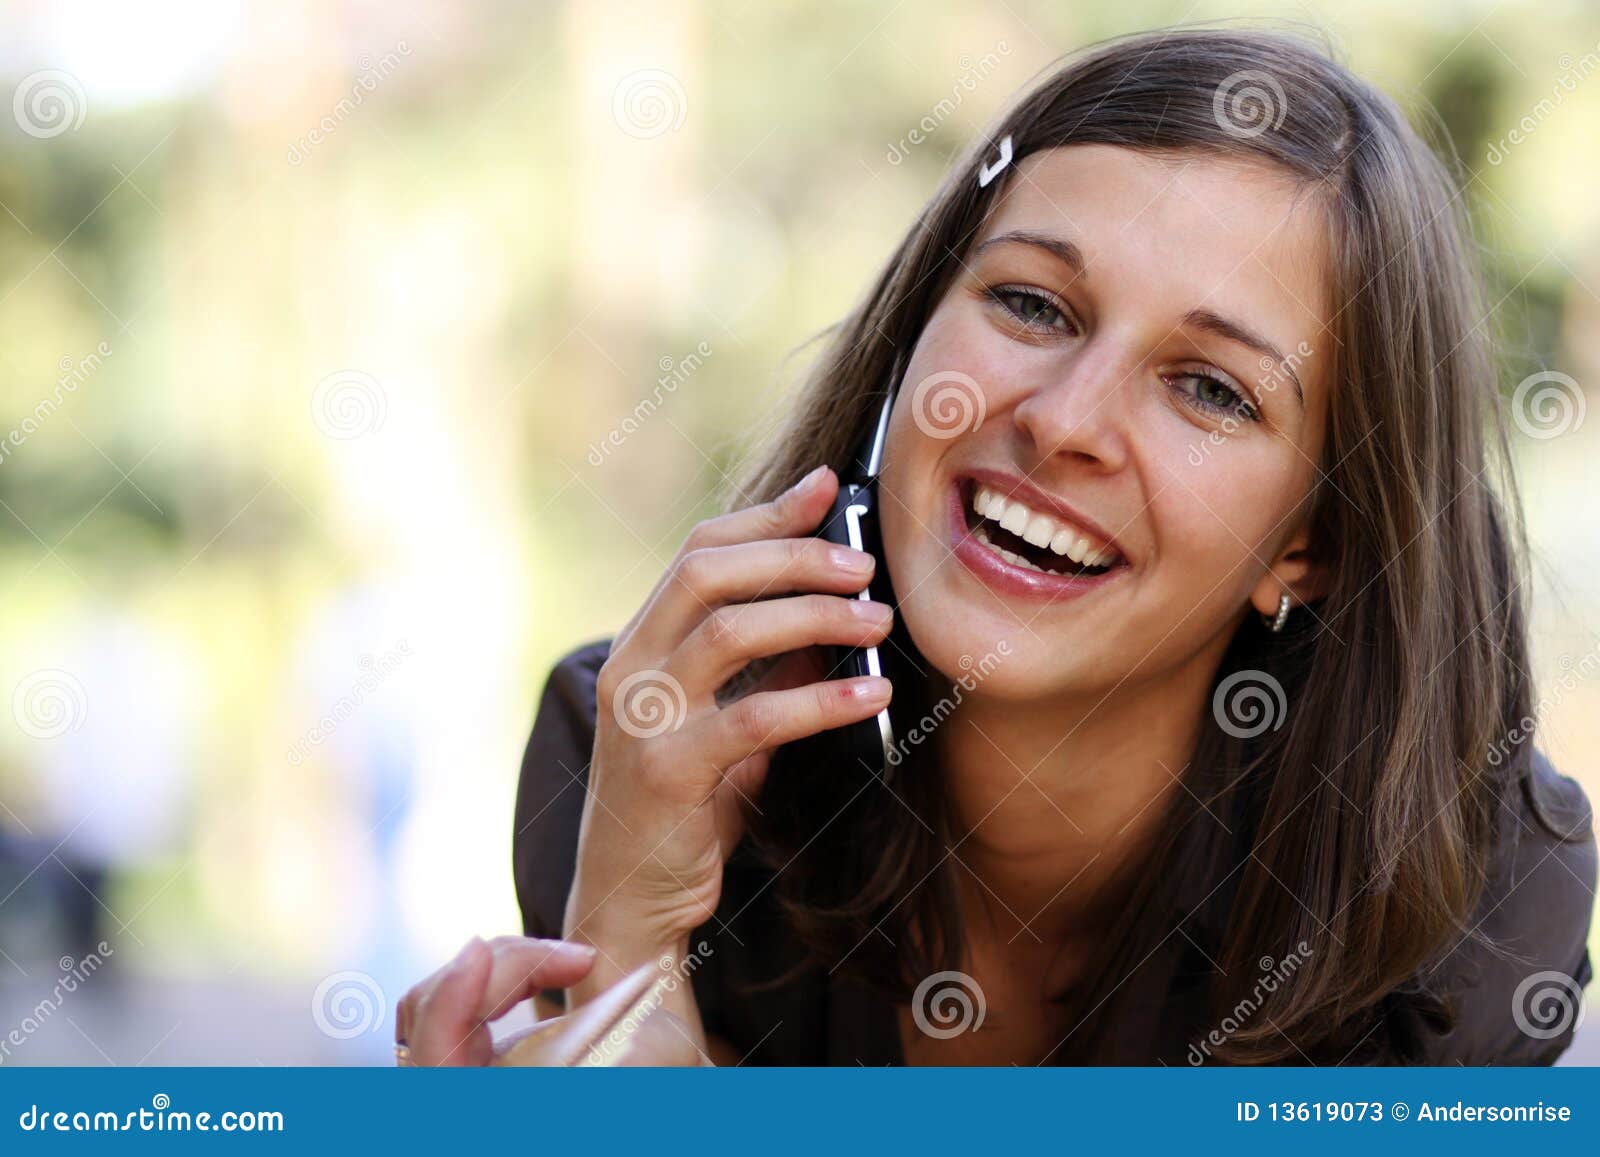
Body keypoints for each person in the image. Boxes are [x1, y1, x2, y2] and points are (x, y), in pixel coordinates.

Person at [402, 27, 1596, 1066]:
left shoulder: (1466, 914)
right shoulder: (651, 751)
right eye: (1032, 304)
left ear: (1313, 543)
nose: (1064, 420)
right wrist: (624, 966)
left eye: (1209, 390)